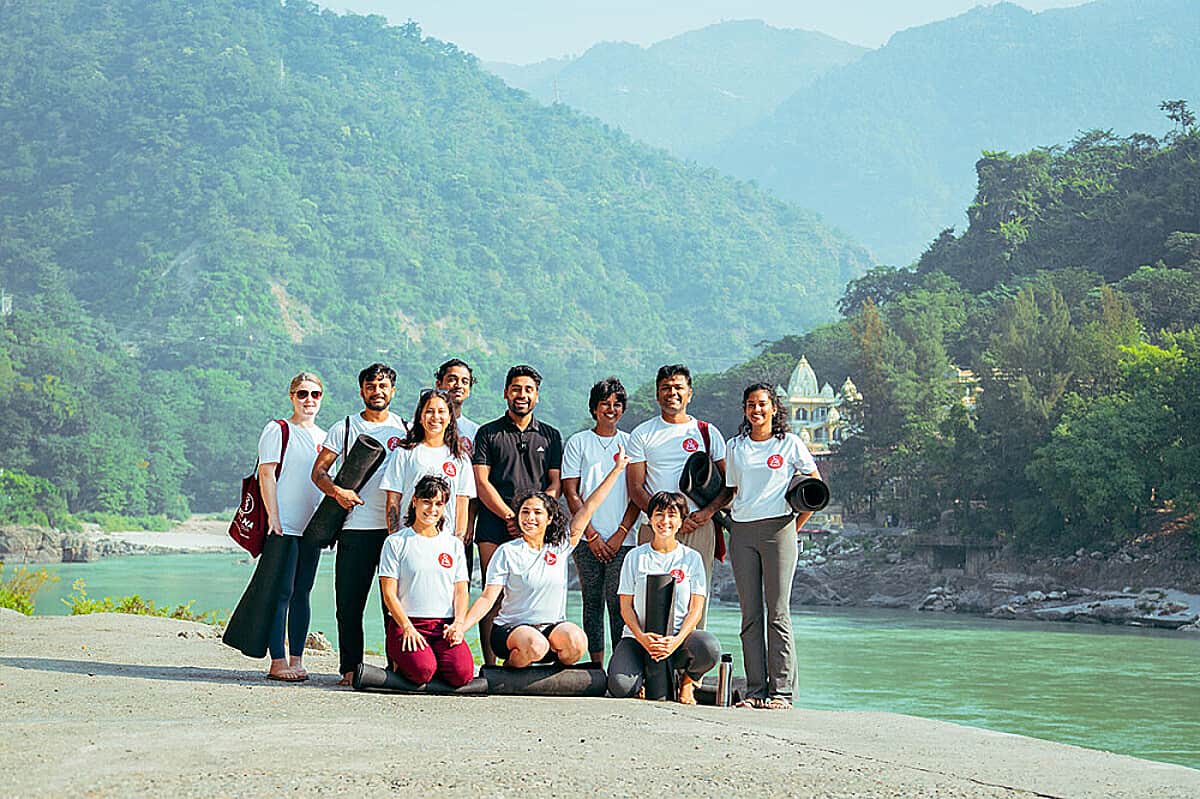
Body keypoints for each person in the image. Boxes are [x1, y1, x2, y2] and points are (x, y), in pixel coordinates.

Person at [448, 446, 630, 667]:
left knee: (577, 642)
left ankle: (551, 678)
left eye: (537, 513)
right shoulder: (507, 552)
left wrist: (617, 469)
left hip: (550, 628)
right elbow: (487, 598)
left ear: (550, 518)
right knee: (535, 644)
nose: (530, 518)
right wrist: (461, 626)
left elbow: (589, 506)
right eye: (525, 512)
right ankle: (509, 668)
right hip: (511, 631)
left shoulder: (559, 546)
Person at [311, 363, 409, 685]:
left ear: (393, 391)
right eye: (371, 386)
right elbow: (319, 472)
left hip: (394, 533)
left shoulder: (406, 429)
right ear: (362, 390)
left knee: (393, 607)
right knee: (349, 606)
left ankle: (397, 669)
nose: (377, 391)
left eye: (383, 386)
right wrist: (337, 491)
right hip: (354, 529)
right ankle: (350, 669)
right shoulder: (346, 426)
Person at [724, 382, 820, 710]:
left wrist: (793, 526)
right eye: (751, 404)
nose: (757, 410)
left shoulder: (789, 444)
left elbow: (815, 487)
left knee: (777, 613)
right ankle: (755, 691)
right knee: (750, 614)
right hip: (742, 533)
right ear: (745, 410)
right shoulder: (735, 447)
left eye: (763, 404)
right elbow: (734, 491)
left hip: (780, 531)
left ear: (774, 408)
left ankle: (781, 692)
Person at [470, 364, 563, 665]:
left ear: (537, 396)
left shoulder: (550, 435)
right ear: (506, 392)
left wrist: (534, 518)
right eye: (516, 389)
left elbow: (555, 484)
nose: (522, 395)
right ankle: (489, 663)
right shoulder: (488, 433)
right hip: (494, 524)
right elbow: (481, 482)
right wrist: (512, 517)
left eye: (528, 390)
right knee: (493, 594)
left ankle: (529, 653)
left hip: (537, 525)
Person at [626, 364, 728, 627]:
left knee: (694, 597)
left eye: (678, 388)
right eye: (666, 388)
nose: (672, 393)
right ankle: (652, 659)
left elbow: (729, 484)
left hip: (698, 525)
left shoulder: (707, 432)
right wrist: (666, 518)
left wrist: (707, 513)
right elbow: (636, 488)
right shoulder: (642, 434)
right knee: (647, 602)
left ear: (690, 393)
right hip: (654, 529)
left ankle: (690, 665)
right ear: (657, 395)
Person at [607, 491, 720, 704]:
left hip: (678, 639)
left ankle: (688, 681)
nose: (665, 521)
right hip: (637, 638)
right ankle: (639, 681)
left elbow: (696, 609)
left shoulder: (691, 558)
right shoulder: (635, 556)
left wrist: (676, 640)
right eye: (659, 514)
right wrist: (642, 637)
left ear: (680, 521)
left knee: (709, 648)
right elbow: (626, 607)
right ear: (650, 519)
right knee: (621, 687)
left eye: (672, 515)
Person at [562, 377, 640, 663]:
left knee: (619, 603)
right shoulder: (578, 442)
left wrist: (621, 532)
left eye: (617, 404)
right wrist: (591, 534)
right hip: (585, 539)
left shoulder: (631, 443)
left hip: (624, 540)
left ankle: (620, 664)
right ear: (594, 408)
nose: (611, 409)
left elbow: (636, 493)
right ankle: (596, 665)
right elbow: (571, 491)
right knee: (591, 602)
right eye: (604, 404)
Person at [256, 372, 327, 682]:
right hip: (283, 526)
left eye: (314, 394)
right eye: (302, 394)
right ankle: (277, 661)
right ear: (291, 396)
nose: (308, 400)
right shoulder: (278, 430)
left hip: (312, 528)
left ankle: (297, 658)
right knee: (281, 592)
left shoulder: (325, 437)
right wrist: (273, 516)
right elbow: (266, 474)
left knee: (303, 593)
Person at [378, 475, 474, 687]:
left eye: (439, 504)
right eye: (427, 502)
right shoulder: (395, 542)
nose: (432, 509)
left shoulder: (454, 545)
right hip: (408, 624)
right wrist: (407, 627)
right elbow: (389, 594)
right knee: (422, 672)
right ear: (414, 501)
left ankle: (433, 659)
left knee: (462, 675)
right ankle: (406, 661)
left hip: (443, 626)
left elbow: (460, 591)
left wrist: (458, 624)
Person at [381, 388, 475, 540]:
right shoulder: (404, 453)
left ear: (450, 417)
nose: (435, 417)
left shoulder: (460, 458)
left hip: (445, 541)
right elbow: (393, 499)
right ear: (420, 417)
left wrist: (457, 542)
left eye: (441, 411)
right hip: (408, 538)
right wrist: (394, 537)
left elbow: (462, 505)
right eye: (430, 411)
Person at [435, 358, 480, 575]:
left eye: (464, 381)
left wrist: (469, 523)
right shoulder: (420, 428)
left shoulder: (476, 432)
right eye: (452, 379)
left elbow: (475, 485)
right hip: (423, 522)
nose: (458, 385)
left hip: (459, 526)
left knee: (458, 589)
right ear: (439, 383)